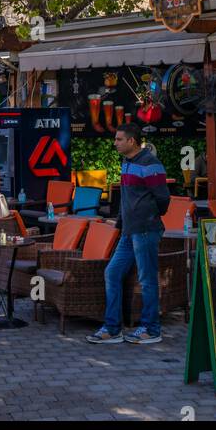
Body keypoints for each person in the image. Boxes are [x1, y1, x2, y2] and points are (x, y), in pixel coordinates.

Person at [87, 123, 170, 346]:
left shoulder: (150, 164)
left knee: (147, 280)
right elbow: (125, 199)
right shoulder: (126, 163)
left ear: (131, 141)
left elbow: (163, 198)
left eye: (119, 139)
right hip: (128, 232)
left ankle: (152, 329)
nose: (115, 143)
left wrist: (148, 217)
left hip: (145, 230)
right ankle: (113, 329)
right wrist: (122, 224)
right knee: (112, 273)